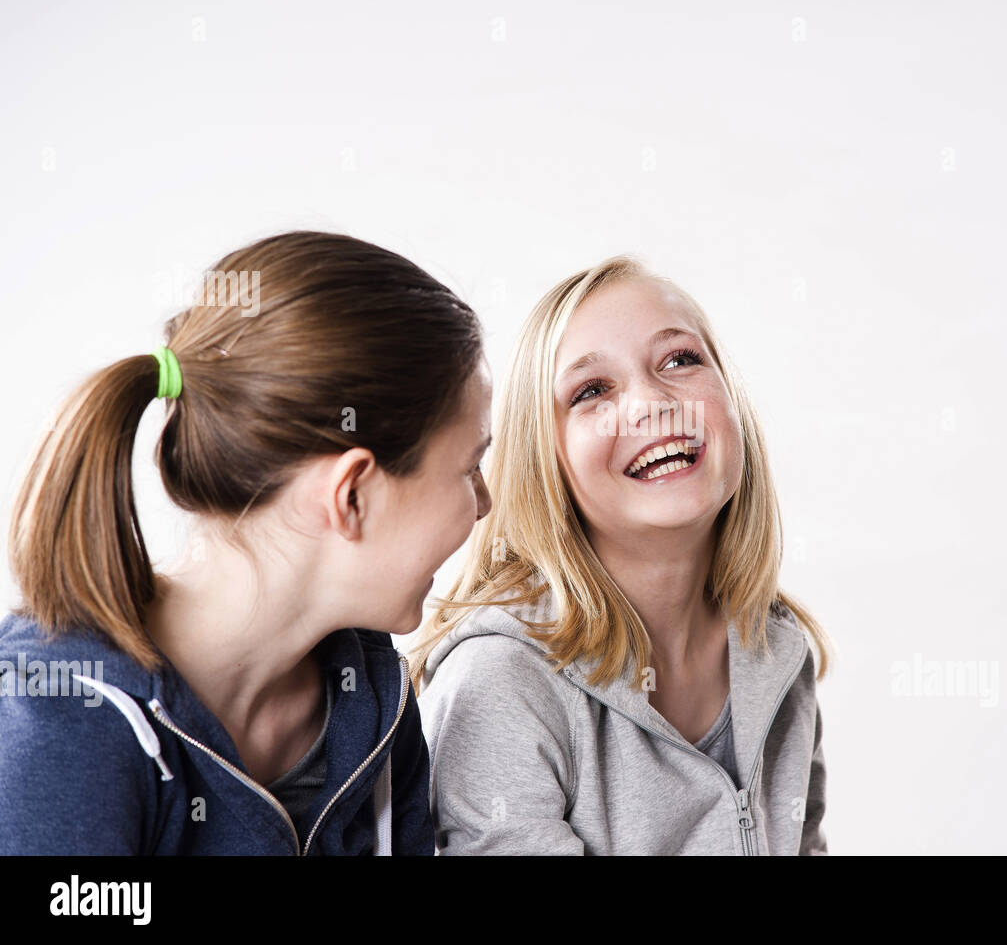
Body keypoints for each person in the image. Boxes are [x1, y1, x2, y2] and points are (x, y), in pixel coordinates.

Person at [0, 231, 492, 855]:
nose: (485, 503)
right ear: (352, 496)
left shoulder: (376, 698)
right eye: (470, 467)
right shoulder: (61, 725)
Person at [408, 255, 832, 855]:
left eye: (680, 360)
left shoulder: (777, 651)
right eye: (592, 391)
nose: (652, 402)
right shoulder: (502, 680)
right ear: (544, 462)